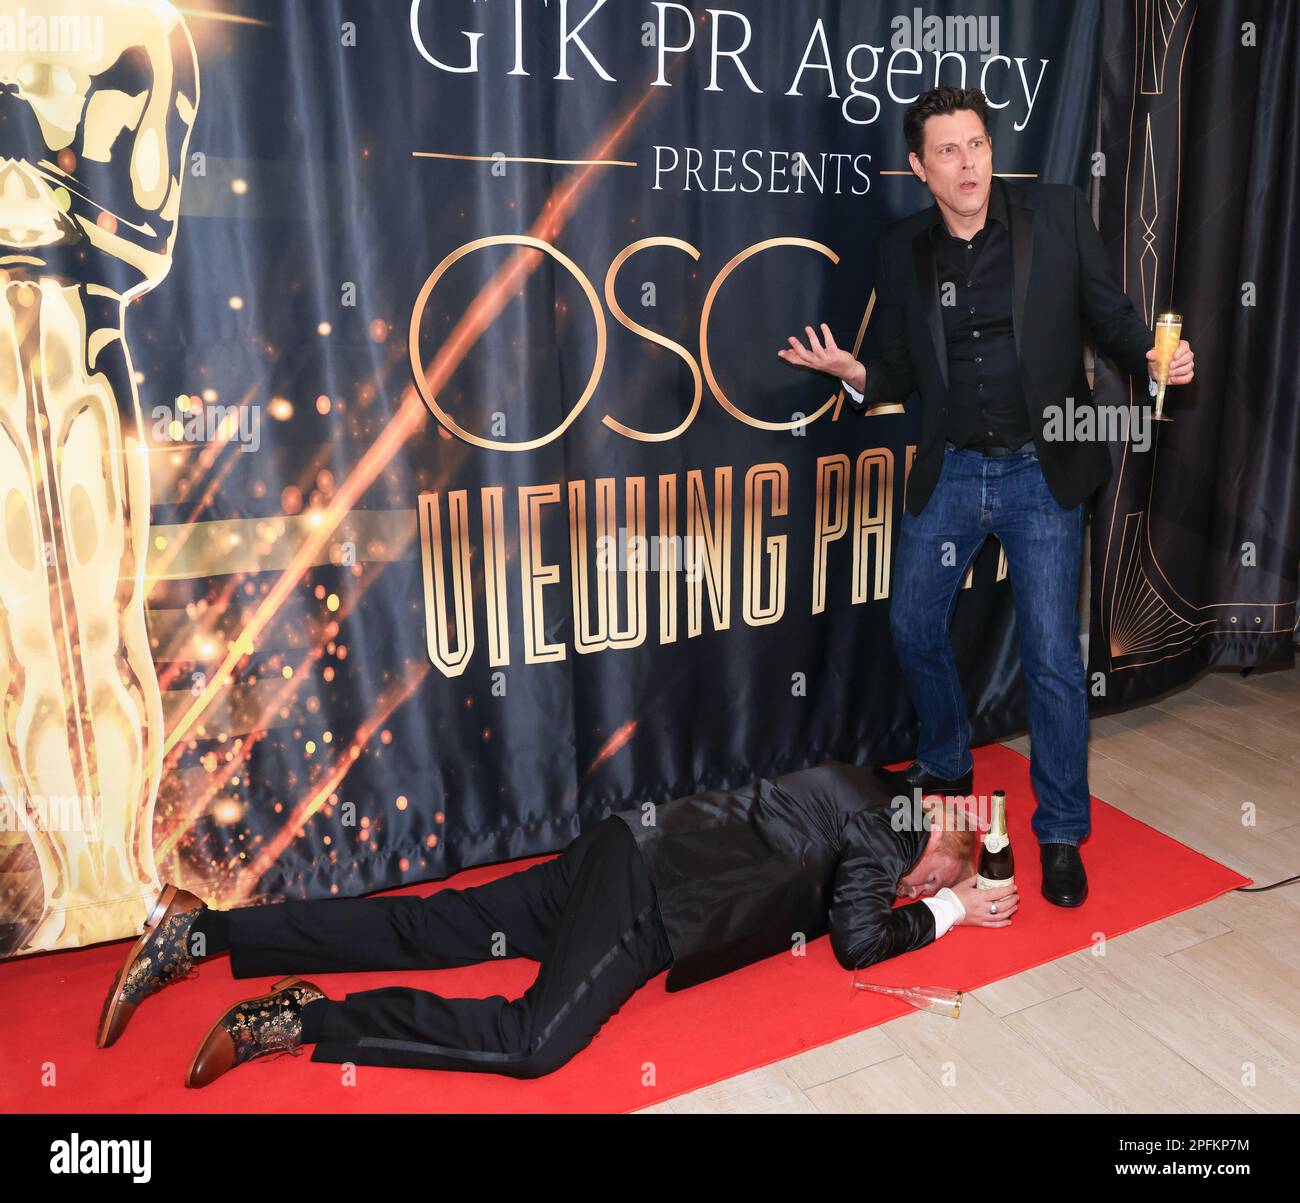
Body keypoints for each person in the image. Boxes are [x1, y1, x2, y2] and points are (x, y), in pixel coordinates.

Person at [778, 86, 1195, 908]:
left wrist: (1150, 355)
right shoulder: (902, 251)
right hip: (956, 470)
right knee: (911, 624)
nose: (967, 163)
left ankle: (1063, 832)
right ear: (919, 167)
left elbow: (1109, 316)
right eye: (948, 151)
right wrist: (853, 374)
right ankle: (948, 761)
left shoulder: (1057, 213)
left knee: (1050, 659)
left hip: (1043, 474)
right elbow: (894, 368)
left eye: (976, 144)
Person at [96, 759, 1008, 1086]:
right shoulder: (887, 840)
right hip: (651, 897)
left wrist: (932, 888)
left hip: (626, 842)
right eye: (921, 875)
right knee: (532, 1043)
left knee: (433, 926)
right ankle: (301, 1018)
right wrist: (946, 910)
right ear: (931, 849)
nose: (905, 887)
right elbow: (860, 943)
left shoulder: (865, 783)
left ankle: (204, 934)